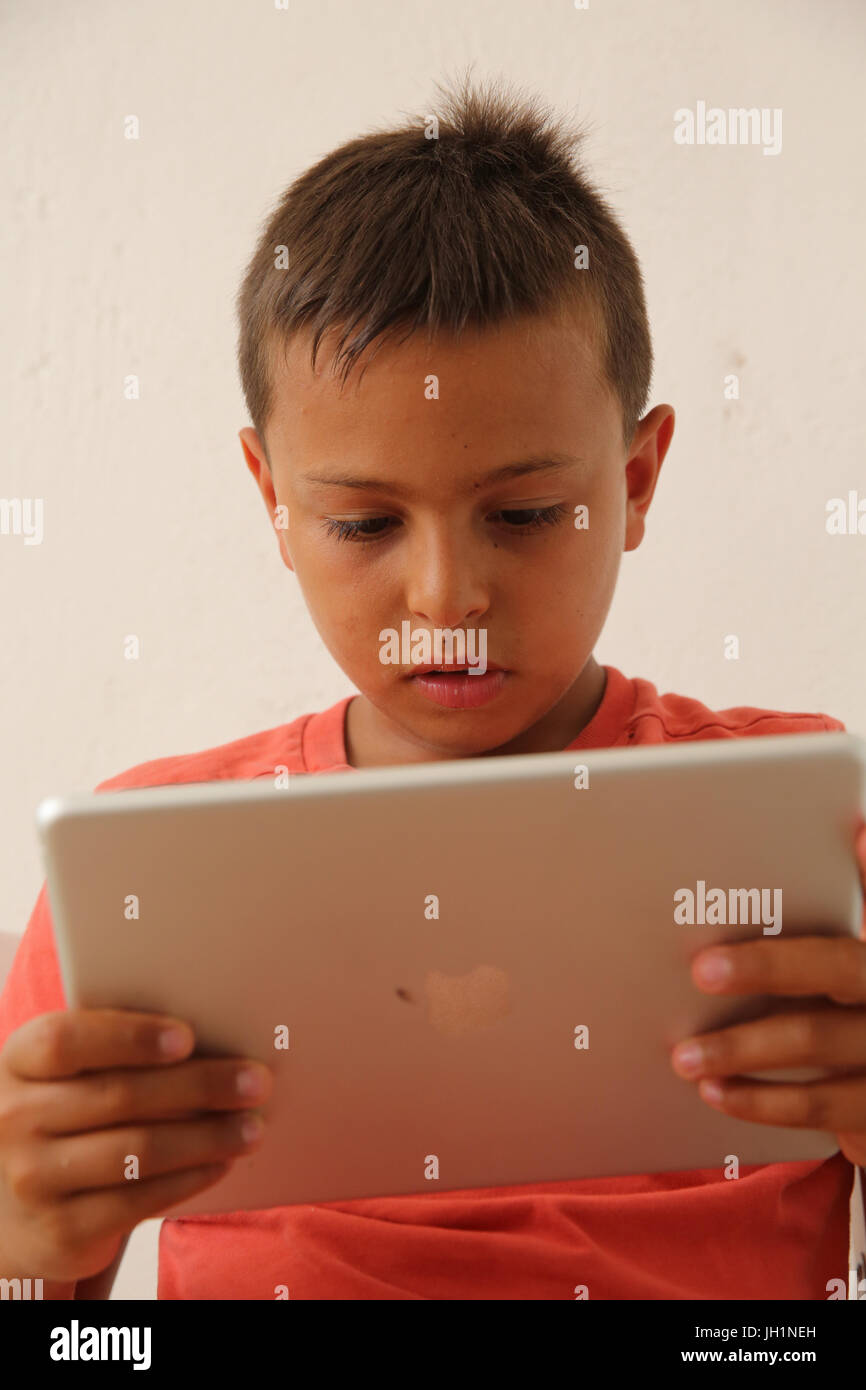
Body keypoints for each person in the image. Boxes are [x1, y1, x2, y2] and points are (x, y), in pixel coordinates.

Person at [2, 75, 864, 1301]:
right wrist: (35, 1271)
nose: (446, 597)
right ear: (273, 504)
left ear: (639, 476)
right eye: (362, 522)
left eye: (520, 512)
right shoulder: (139, 880)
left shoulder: (807, 834)